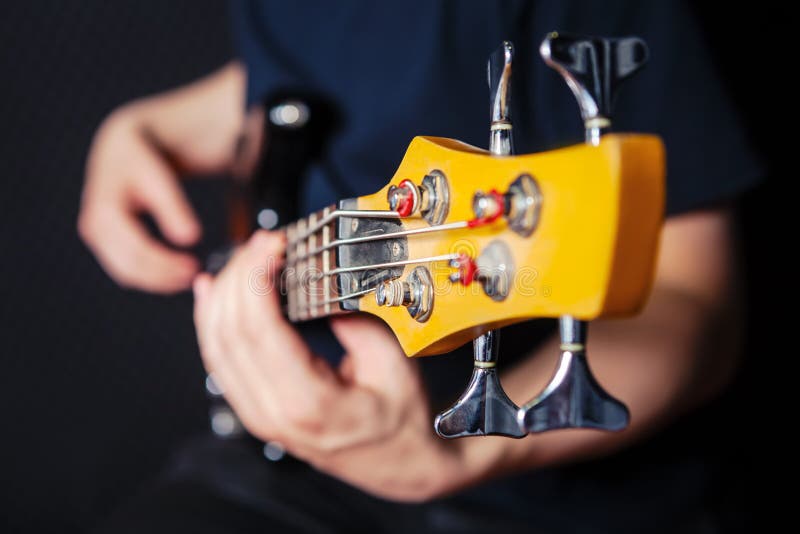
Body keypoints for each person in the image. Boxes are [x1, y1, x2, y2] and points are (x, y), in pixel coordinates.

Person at [78, 1, 761, 532]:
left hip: (551, 496)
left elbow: (692, 301)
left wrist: (459, 453)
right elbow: (295, 68)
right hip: (292, 460)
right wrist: (144, 127)